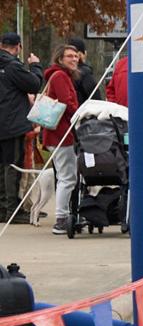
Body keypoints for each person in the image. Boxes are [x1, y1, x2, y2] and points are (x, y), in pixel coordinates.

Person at [0, 34, 43, 223]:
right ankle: (13, 210)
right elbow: (34, 84)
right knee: (13, 166)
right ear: (18, 47)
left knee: (1, 166)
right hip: (12, 123)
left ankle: (2, 209)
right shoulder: (12, 66)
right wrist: (35, 66)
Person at [41, 44, 81, 234]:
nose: (74, 59)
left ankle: (62, 216)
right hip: (61, 134)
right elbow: (67, 103)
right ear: (60, 59)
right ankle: (61, 219)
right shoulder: (61, 76)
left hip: (56, 133)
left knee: (65, 177)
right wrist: (81, 114)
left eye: (76, 56)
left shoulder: (57, 75)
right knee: (67, 177)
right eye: (69, 56)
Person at [66, 37, 97, 106]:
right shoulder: (85, 73)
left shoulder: (61, 72)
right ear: (81, 54)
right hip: (80, 113)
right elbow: (95, 99)